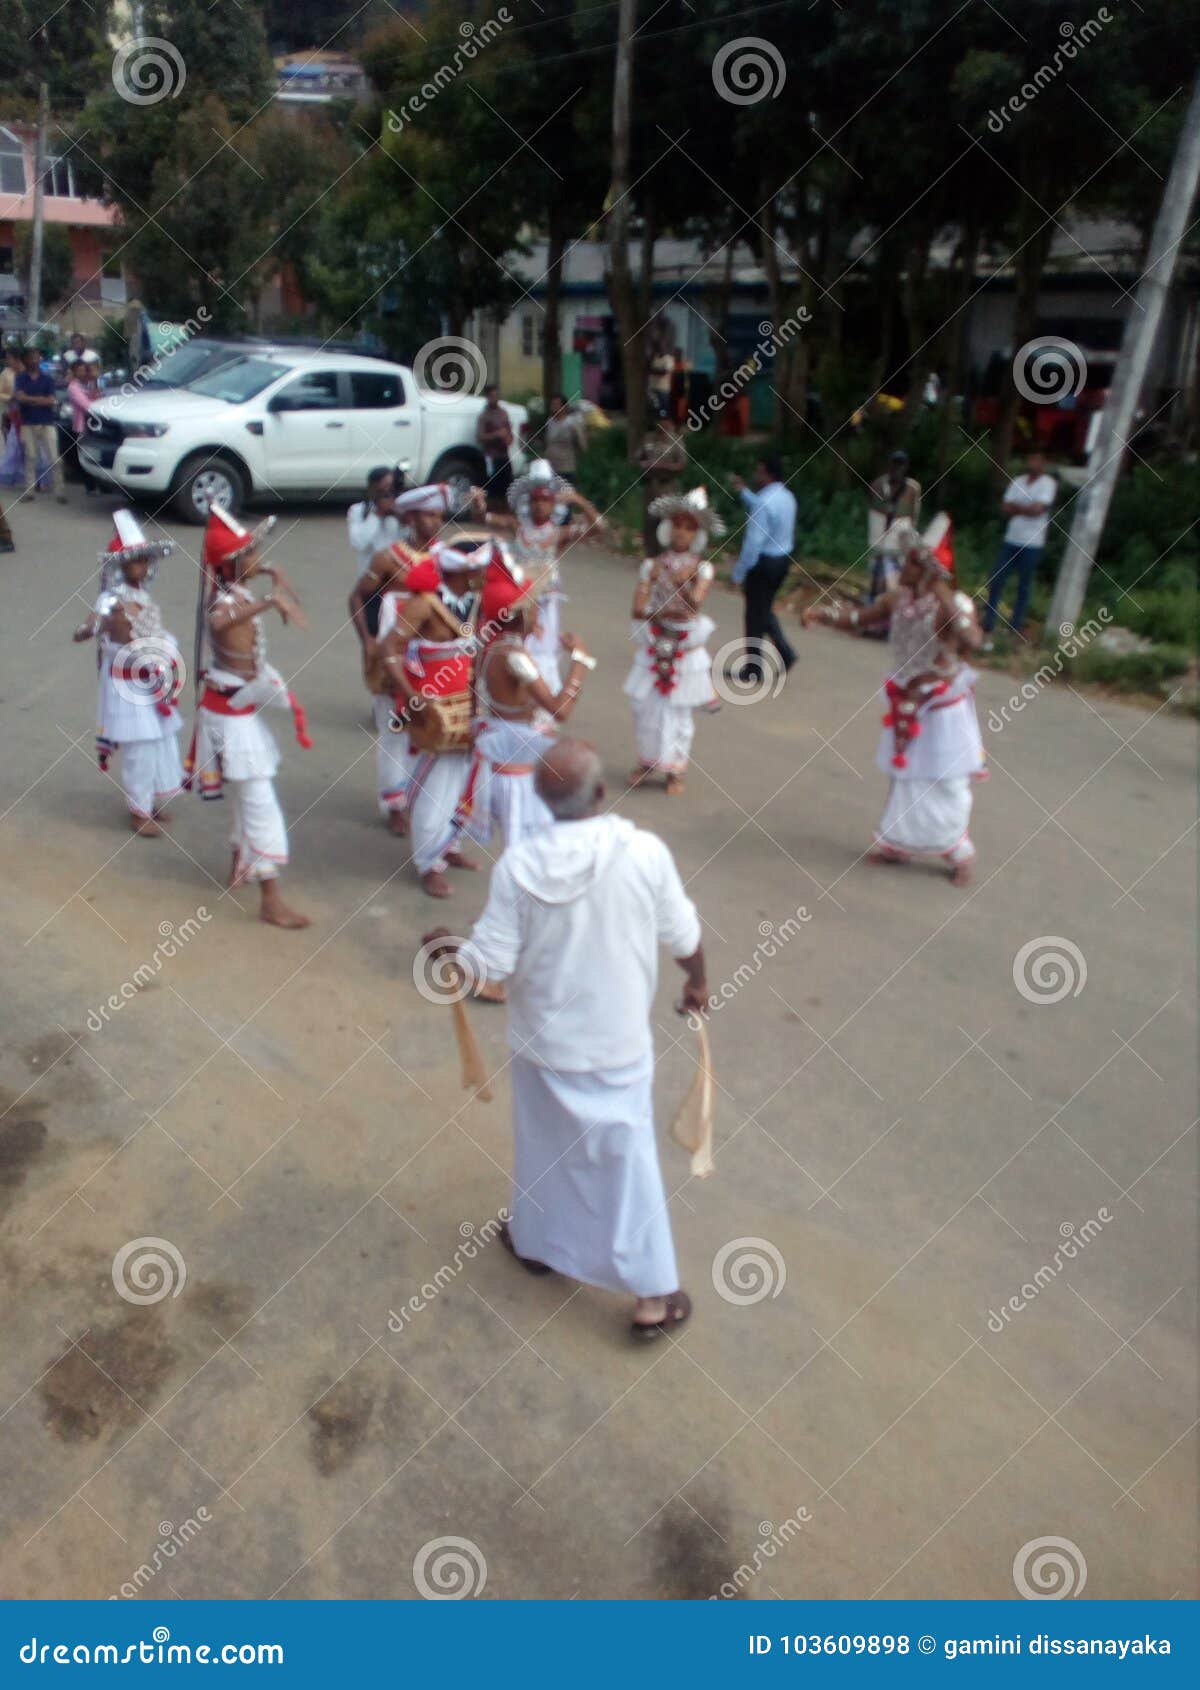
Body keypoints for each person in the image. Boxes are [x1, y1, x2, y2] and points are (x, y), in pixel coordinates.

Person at [423, 738, 708, 1339]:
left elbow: (488, 967)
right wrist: (698, 986)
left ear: (539, 799)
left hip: (543, 1047)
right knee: (625, 1164)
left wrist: (447, 950)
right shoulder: (643, 852)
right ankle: (653, 1298)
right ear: (602, 793)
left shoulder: (519, 868)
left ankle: (536, 1245)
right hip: (617, 1047)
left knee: (544, 1145)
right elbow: (683, 937)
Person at [802, 520, 984, 887]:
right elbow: (859, 619)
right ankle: (898, 842)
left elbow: (973, 641)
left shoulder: (954, 605)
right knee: (905, 776)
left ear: (929, 571)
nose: (901, 569)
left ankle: (957, 851)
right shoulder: (896, 599)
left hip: (941, 704)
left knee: (945, 781)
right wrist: (822, 614)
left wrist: (944, 594)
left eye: (911, 564)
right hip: (904, 698)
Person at [188, 505, 312, 929]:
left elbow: (246, 575)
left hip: (234, 709)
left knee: (247, 797)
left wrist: (270, 576)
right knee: (260, 802)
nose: (260, 559)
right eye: (252, 554)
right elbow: (219, 622)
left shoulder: (235, 586)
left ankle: (239, 864)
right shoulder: (223, 601)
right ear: (234, 563)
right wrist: (267, 601)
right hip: (229, 716)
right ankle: (270, 898)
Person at [454, 544, 594, 859]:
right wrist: (580, 662)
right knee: (527, 835)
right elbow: (561, 710)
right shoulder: (514, 656)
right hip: (515, 746)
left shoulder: (490, 646)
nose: (538, 614)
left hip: (497, 736)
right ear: (521, 615)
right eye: (534, 607)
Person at [379, 542, 488, 898]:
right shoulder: (424, 603)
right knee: (436, 786)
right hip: (434, 709)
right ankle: (429, 864)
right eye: (478, 569)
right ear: (464, 571)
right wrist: (411, 696)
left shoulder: (474, 603)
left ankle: (449, 845)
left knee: (464, 781)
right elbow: (390, 650)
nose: (483, 575)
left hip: (467, 704)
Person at [348, 482, 451, 835]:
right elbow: (357, 598)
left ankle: (422, 795)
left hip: (433, 654)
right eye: (428, 515)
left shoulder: (449, 556)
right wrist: (368, 642)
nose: (435, 522)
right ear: (410, 518)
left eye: (439, 515)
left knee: (428, 724)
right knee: (394, 728)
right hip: (393, 652)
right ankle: (394, 802)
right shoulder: (388, 558)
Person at [73, 511, 182, 835]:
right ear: (122, 564)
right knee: (141, 744)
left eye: (146, 561)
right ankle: (138, 810)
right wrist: (89, 629)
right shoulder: (112, 597)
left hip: (149, 675)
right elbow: (91, 624)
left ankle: (149, 799)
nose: (143, 567)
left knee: (161, 737)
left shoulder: (142, 596)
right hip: (125, 679)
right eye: (136, 561)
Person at [624, 486, 722, 795]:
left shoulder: (703, 569)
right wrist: (661, 605)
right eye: (677, 524)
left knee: (679, 710)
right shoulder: (651, 565)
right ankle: (649, 762)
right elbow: (637, 609)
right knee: (646, 706)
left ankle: (675, 769)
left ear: (698, 534)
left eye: (689, 526)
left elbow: (694, 606)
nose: (681, 532)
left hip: (684, 644)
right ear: (668, 528)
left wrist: (681, 586)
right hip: (656, 640)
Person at [478, 459, 604, 691]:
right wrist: (479, 504)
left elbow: (599, 527)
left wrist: (578, 501)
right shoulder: (518, 527)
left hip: (546, 602)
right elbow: (484, 517)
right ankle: (510, 689)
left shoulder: (559, 534)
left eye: (545, 500)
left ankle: (542, 693)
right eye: (535, 499)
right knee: (514, 643)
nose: (539, 505)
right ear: (528, 502)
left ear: (554, 504)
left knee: (543, 646)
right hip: (519, 598)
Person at [981, 449, 1057, 648]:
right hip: (1011, 539)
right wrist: (1024, 509)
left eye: (1037, 459)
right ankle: (988, 623)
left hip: (1033, 542)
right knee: (997, 577)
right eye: (1030, 458)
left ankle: (1015, 626)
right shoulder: (1018, 481)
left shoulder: (1048, 484)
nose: (1033, 462)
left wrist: (1018, 508)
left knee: (1024, 585)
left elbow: (1038, 510)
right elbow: (1005, 507)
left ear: (1043, 463)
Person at [731, 455, 797, 682]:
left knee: (754, 615)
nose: (756, 475)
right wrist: (744, 493)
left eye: (759, 471)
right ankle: (785, 653)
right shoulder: (787, 497)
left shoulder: (763, 502)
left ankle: (753, 667)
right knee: (764, 609)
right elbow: (764, 508)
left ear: (768, 474)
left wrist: (738, 573)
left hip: (764, 562)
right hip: (782, 560)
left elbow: (753, 544)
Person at [867, 450, 922, 602]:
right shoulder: (878, 484)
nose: (897, 469)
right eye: (894, 465)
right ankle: (871, 609)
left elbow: (914, 516)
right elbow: (873, 511)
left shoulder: (912, 489)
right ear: (889, 465)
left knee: (893, 584)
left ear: (905, 468)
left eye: (900, 465)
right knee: (875, 581)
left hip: (897, 547)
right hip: (877, 543)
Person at [15, 346, 64, 501]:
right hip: (28, 422)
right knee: (30, 457)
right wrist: (40, 400)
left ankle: (60, 492)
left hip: (47, 422)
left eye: (37, 357)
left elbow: (51, 400)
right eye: (32, 357)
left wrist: (31, 399)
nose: (36, 360)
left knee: (55, 458)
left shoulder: (47, 378)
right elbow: (20, 398)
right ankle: (29, 491)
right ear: (26, 360)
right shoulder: (21, 378)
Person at [635, 418, 686, 555]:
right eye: (661, 423)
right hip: (650, 485)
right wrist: (644, 463)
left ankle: (664, 554)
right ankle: (649, 554)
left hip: (667, 486)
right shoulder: (648, 438)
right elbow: (638, 457)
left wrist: (664, 466)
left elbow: (681, 464)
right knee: (650, 521)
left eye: (666, 424)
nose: (663, 427)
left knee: (666, 520)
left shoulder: (676, 441)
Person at [346, 466, 402, 578]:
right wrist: (377, 514)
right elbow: (358, 543)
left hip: (398, 577)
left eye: (390, 489)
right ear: (372, 489)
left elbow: (412, 541)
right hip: (370, 576)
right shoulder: (358, 510)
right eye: (382, 490)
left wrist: (400, 518)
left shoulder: (401, 508)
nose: (387, 494)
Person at [67, 351, 102, 493]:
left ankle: (98, 485)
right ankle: (90, 486)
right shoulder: (73, 387)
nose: (82, 373)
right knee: (86, 456)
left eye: (84, 370)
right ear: (74, 372)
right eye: (79, 371)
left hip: (93, 426)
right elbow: (87, 405)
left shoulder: (88, 385)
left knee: (95, 455)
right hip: (82, 426)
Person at [475, 383, 514, 507]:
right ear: (487, 397)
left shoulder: (503, 413)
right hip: (491, 456)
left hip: (504, 455)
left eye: (497, 395)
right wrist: (496, 435)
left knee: (506, 484)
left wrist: (509, 438)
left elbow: (509, 432)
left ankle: (504, 509)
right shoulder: (484, 416)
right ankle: (490, 509)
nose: (494, 398)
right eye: (492, 396)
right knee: (491, 485)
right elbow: (480, 437)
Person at [542, 393, 587, 483]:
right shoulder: (550, 422)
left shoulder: (572, 423)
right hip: (551, 467)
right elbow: (547, 442)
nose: (554, 407)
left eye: (557, 405)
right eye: (552, 404)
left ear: (564, 407)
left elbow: (582, 444)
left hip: (567, 467)